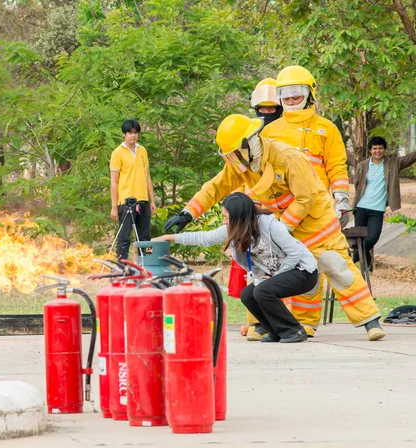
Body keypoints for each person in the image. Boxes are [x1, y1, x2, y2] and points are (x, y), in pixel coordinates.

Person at [163, 114, 385, 341]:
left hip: (315, 221)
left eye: (233, 153)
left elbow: (304, 199)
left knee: (336, 266)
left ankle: (370, 320)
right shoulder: (241, 162)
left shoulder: (287, 157)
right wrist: (187, 213)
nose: (231, 160)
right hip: (281, 223)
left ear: (248, 144)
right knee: (268, 271)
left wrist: (280, 230)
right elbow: (215, 187)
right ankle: (266, 324)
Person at [260, 65, 351, 336]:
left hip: (318, 211)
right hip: (281, 210)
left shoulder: (327, 129)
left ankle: (308, 322)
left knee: (316, 264)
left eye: (296, 93)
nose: (290, 99)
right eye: (285, 94)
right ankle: (272, 321)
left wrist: (342, 199)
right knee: (282, 264)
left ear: (310, 94)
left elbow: (337, 167)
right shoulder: (269, 131)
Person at [155, 192, 318, 342]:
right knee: (247, 294)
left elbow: (295, 254)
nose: (224, 221)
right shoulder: (233, 229)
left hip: (303, 272)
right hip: (279, 276)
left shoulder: (270, 226)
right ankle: (276, 331)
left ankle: (293, 331)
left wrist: (274, 277)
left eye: (227, 217)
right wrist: (168, 238)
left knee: (262, 290)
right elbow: (203, 238)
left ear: (239, 216)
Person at [240, 77, 285, 340]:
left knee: (288, 267)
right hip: (256, 209)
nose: (267, 114)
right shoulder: (247, 131)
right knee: (254, 266)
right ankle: (257, 321)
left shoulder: (290, 131)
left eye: (272, 109)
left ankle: (293, 321)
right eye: (262, 109)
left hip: (286, 209)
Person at [353, 136, 416, 271]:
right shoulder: (362, 166)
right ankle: (367, 268)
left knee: (372, 238)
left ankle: (352, 259)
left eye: (380, 148)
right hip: (361, 208)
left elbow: (410, 158)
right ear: (370, 150)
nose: (377, 151)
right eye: (374, 148)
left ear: (384, 149)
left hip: (377, 210)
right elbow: (357, 185)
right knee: (358, 240)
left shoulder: (393, 163)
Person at [110, 120, 156, 260]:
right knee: (124, 238)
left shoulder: (142, 151)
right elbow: (114, 181)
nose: (133, 136)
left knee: (145, 238)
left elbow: (147, 176)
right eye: (130, 133)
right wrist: (114, 207)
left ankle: (146, 266)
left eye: (135, 133)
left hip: (143, 199)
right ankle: (121, 269)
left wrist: (152, 201)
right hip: (126, 202)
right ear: (124, 134)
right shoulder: (117, 153)